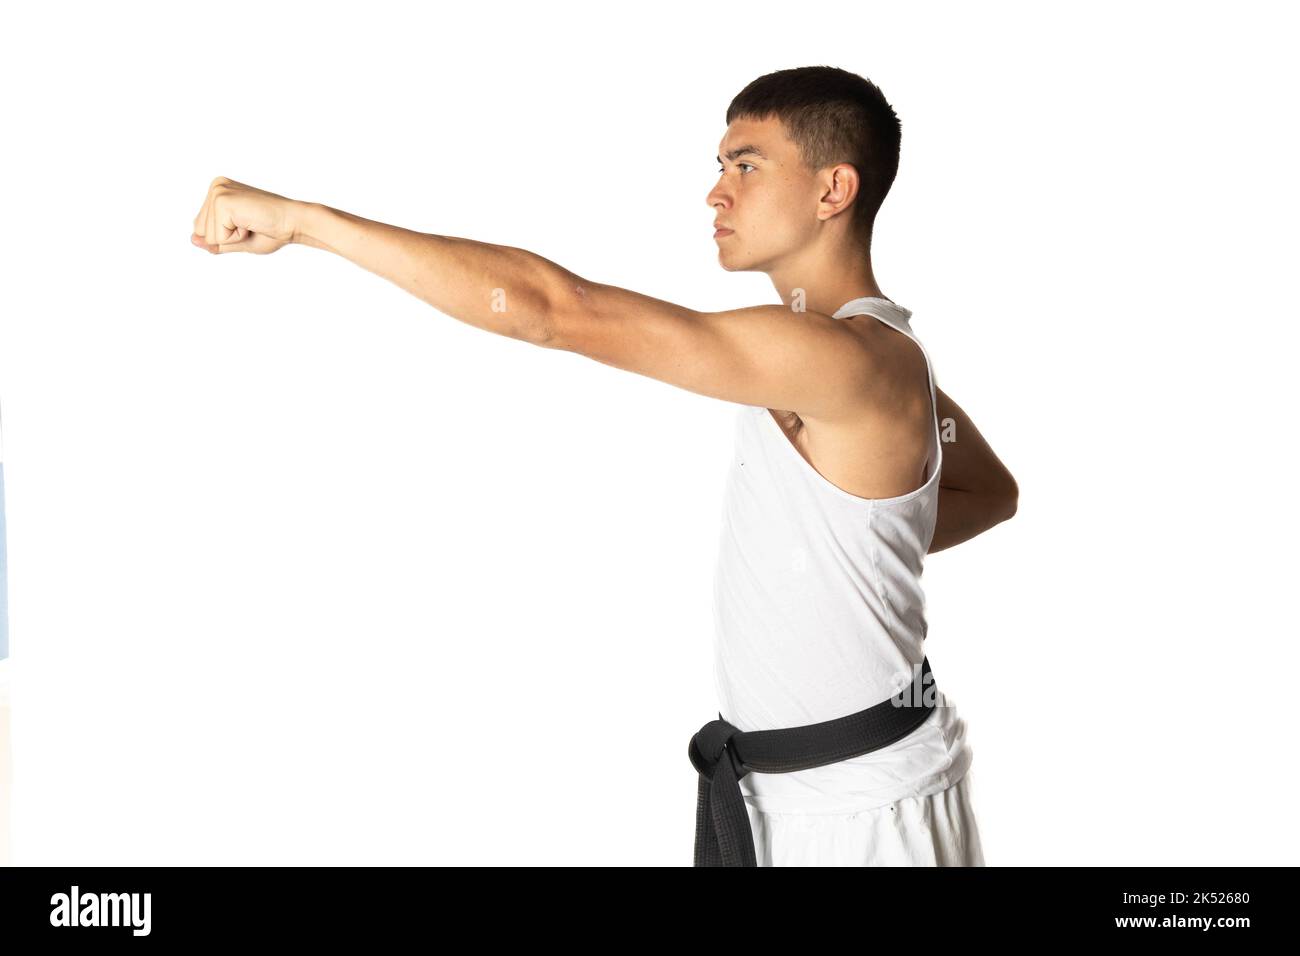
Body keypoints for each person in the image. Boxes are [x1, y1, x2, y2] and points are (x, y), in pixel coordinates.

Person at [190, 65, 1018, 866]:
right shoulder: (874, 350)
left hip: (855, 815)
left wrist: (305, 222)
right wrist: (855, 541)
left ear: (833, 190)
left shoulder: (839, 355)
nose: (716, 191)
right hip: (815, 788)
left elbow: (552, 312)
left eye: (747, 164)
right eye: (719, 166)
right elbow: (987, 490)